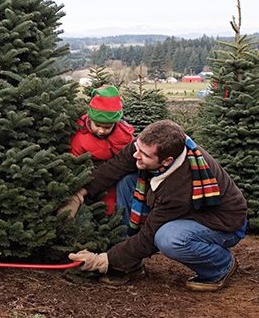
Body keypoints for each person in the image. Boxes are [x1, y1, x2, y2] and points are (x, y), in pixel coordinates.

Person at [62, 120, 247, 291]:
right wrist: (80, 193)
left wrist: (103, 260)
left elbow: (148, 237)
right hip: (186, 207)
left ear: (167, 161)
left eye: (145, 155)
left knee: (168, 238)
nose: (136, 155)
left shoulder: (179, 187)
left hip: (222, 223)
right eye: (138, 148)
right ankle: (129, 263)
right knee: (127, 181)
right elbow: (115, 166)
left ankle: (220, 266)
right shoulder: (149, 146)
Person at [68, 85, 135, 218]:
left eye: (107, 127)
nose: (101, 130)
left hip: (118, 179)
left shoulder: (124, 134)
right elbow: (73, 161)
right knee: (106, 208)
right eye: (97, 125)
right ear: (90, 119)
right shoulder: (81, 137)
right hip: (94, 180)